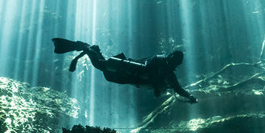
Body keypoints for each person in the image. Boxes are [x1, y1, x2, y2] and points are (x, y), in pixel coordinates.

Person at [52, 38, 198, 103]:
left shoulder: (169, 73)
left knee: (101, 64)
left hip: (123, 75)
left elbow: (178, 89)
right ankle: (84, 46)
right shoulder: (159, 60)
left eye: (177, 62)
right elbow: (148, 68)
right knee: (100, 65)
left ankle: (91, 49)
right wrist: (156, 88)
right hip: (122, 69)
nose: (174, 64)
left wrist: (190, 96)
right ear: (171, 57)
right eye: (175, 60)